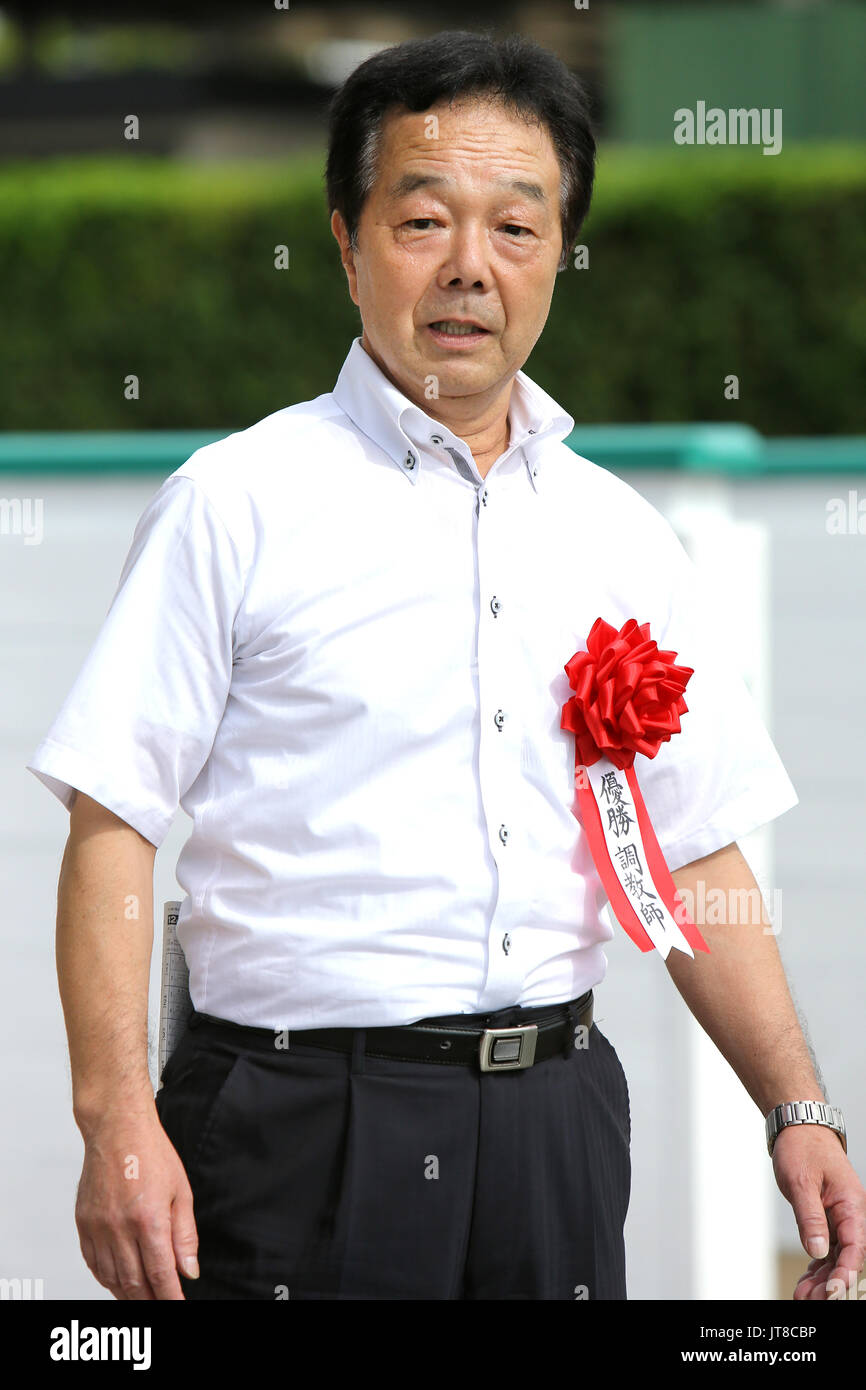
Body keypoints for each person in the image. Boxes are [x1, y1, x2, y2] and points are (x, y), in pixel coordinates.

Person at [27, 30, 865, 1302]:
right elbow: (112, 817)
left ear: (556, 256)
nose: (470, 269)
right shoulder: (237, 501)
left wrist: (796, 1103)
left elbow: (695, 847)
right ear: (345, 239)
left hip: (556, 1128)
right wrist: (115, 1120)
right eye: (423, 219)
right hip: (293, 1128)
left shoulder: (618, 534)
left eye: (516, 229)